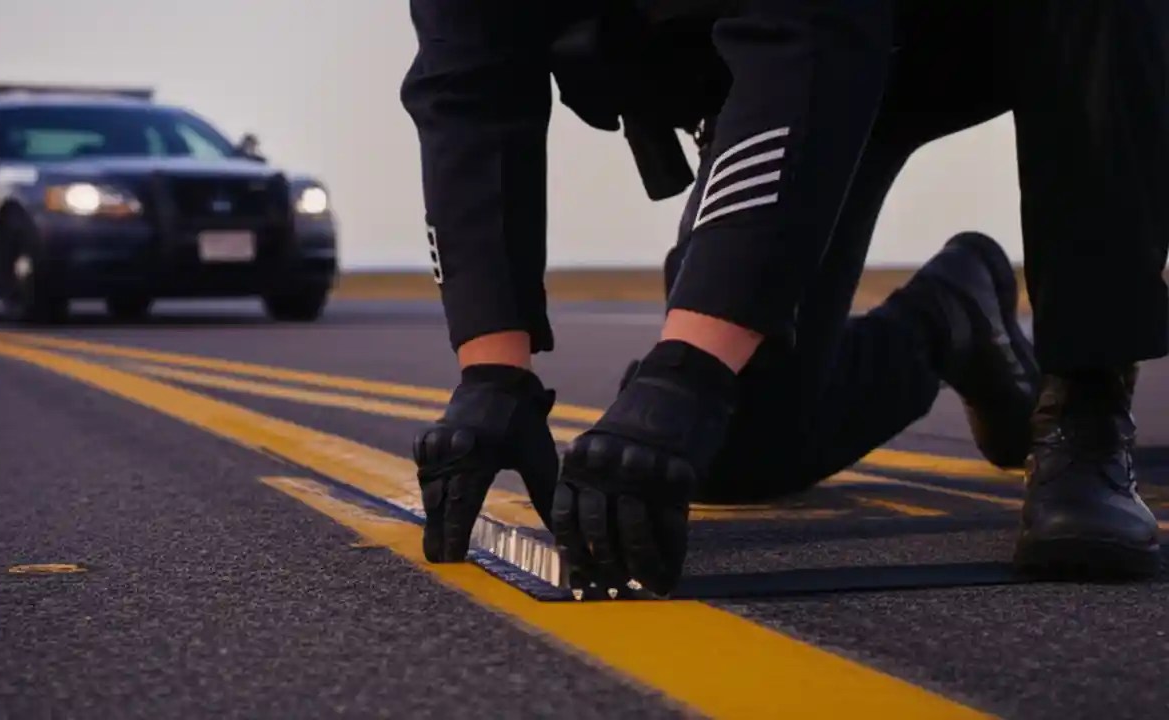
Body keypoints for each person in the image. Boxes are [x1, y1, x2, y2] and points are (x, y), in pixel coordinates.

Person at [401, 0, 1169, 598]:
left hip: (959, 29)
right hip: (783, 60)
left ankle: (1086, 409)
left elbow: (809, 26)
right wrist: (493, 375)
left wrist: (689, 373)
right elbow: (466, 83)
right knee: (735, 450)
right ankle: (952, 316)